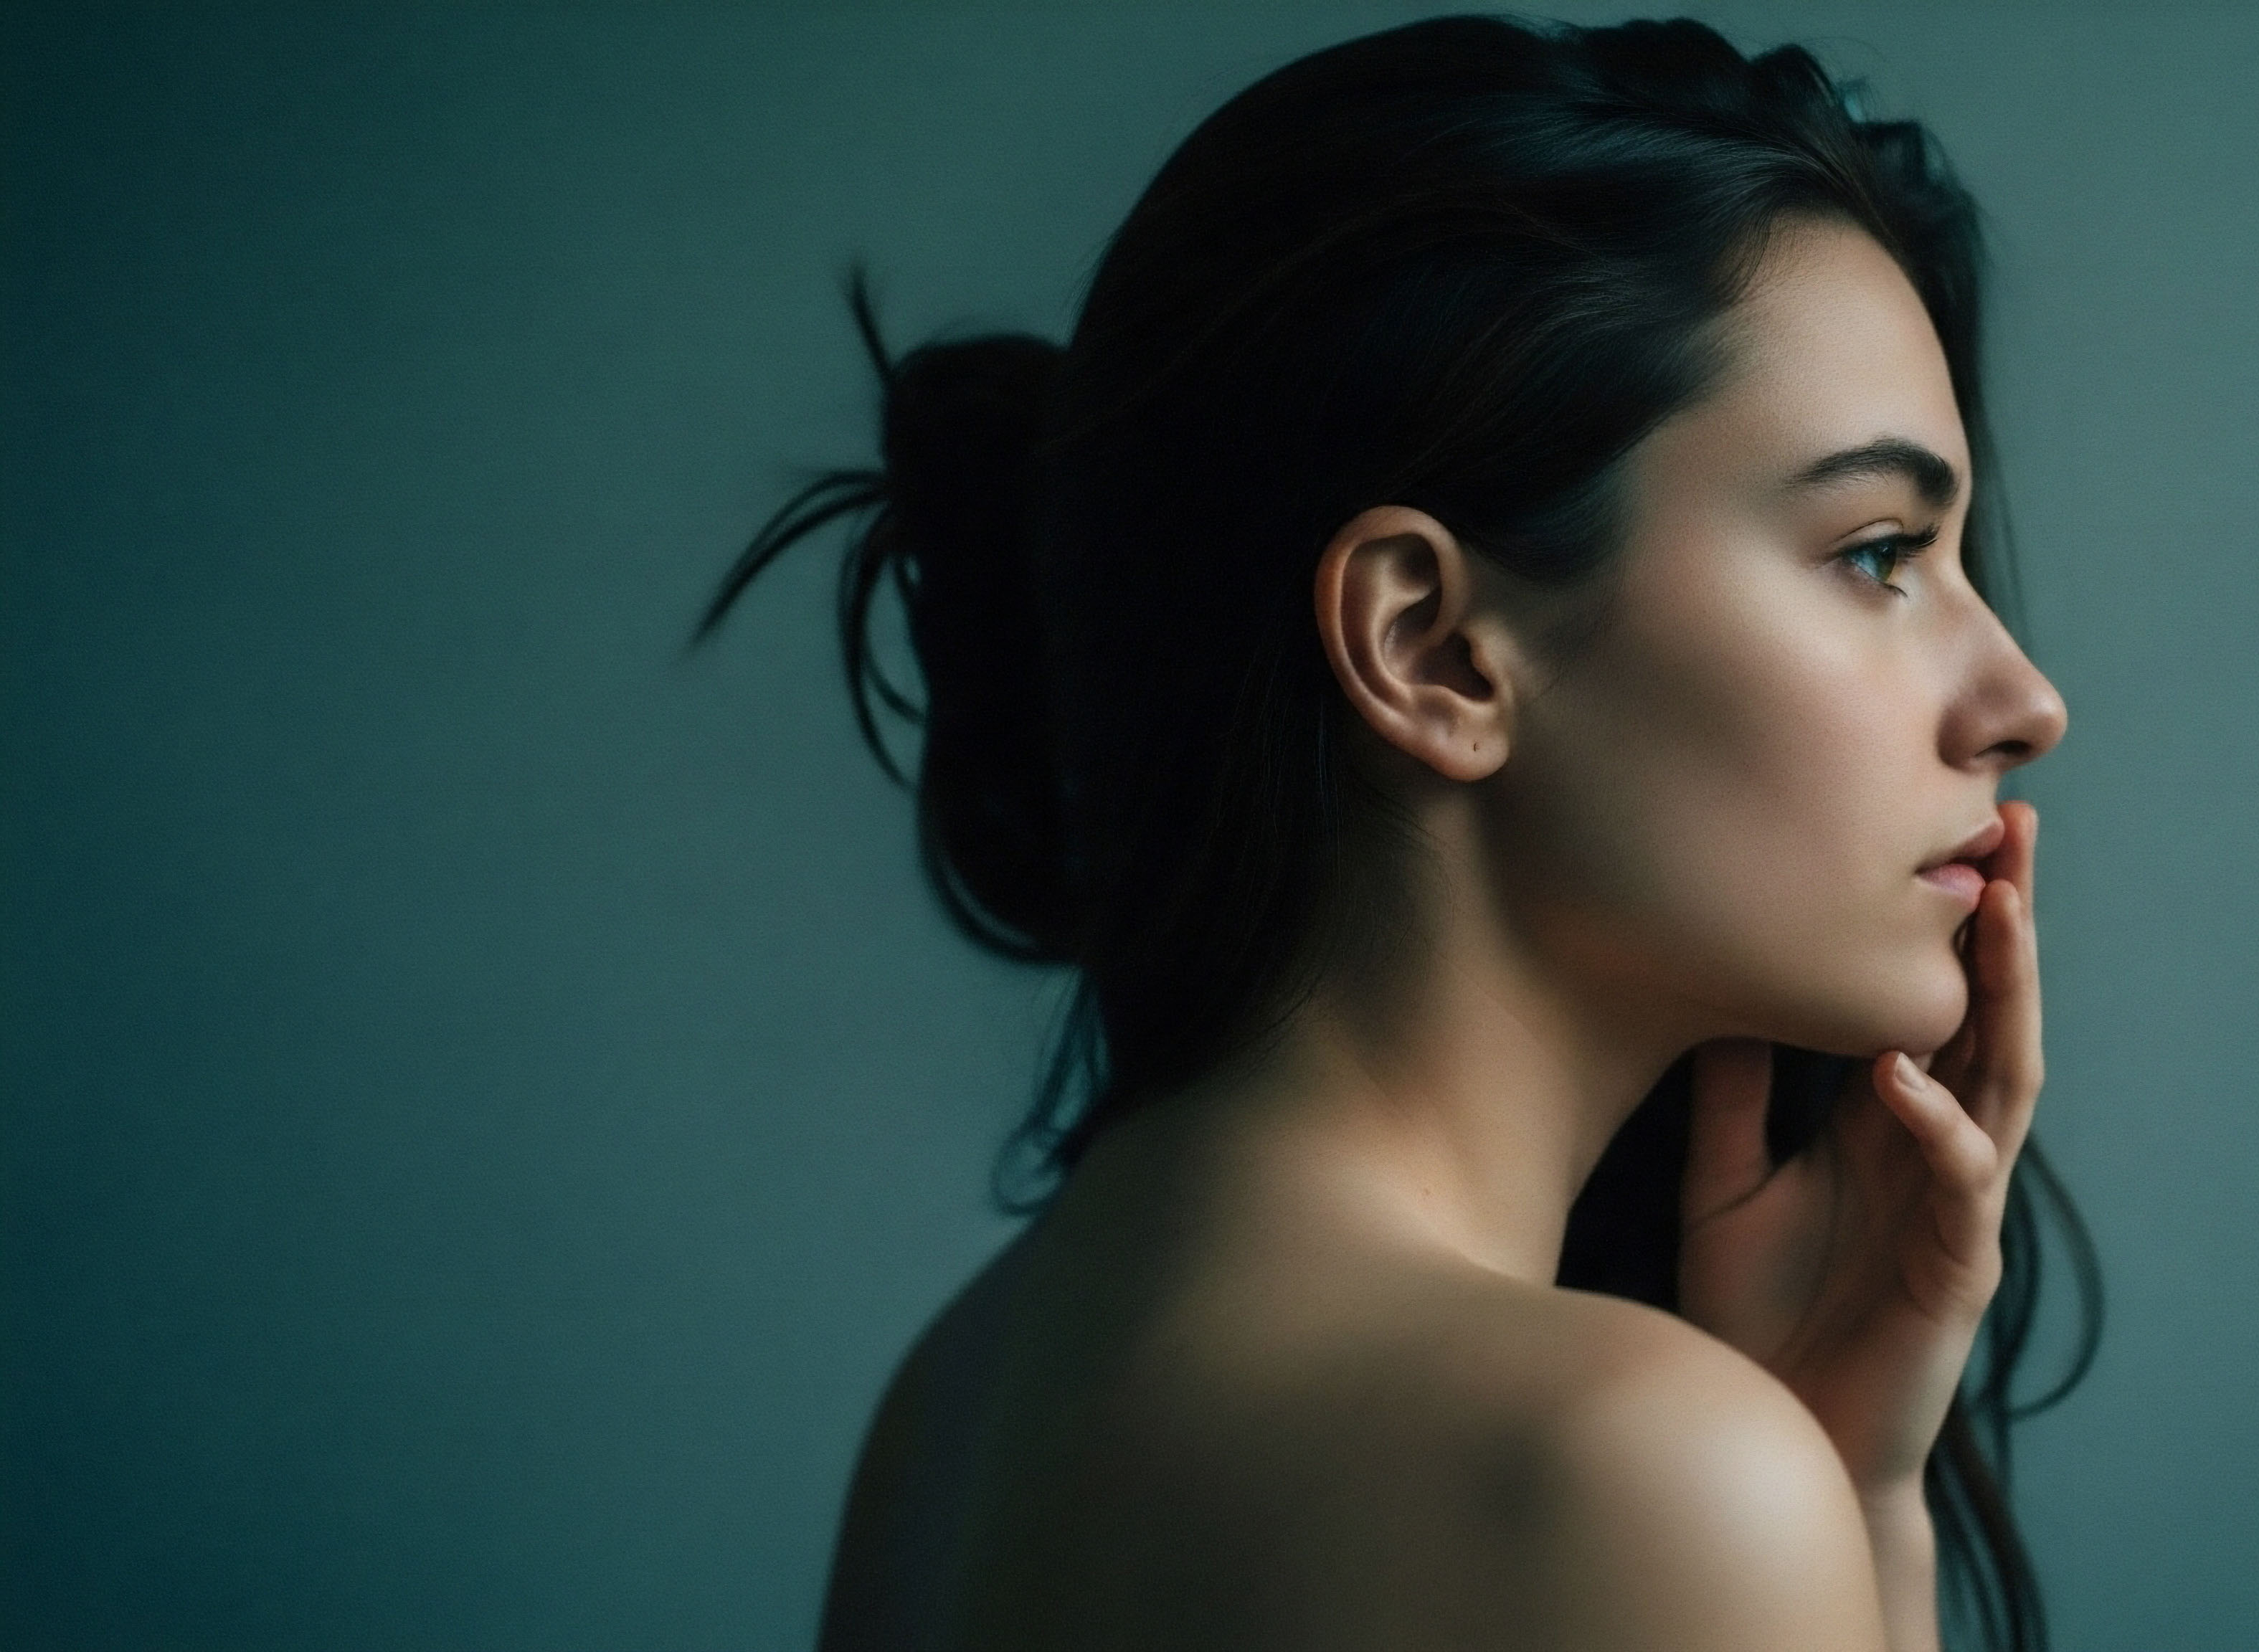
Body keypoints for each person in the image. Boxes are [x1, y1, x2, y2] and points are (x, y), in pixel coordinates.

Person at [700, 16, 2098, 1650]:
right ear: (1429, 646)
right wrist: (1808, 1505)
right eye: (1877, 553)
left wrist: (1855, 1481)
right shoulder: (1635, 1475)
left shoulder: (953, 1403)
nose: (2023, 700)